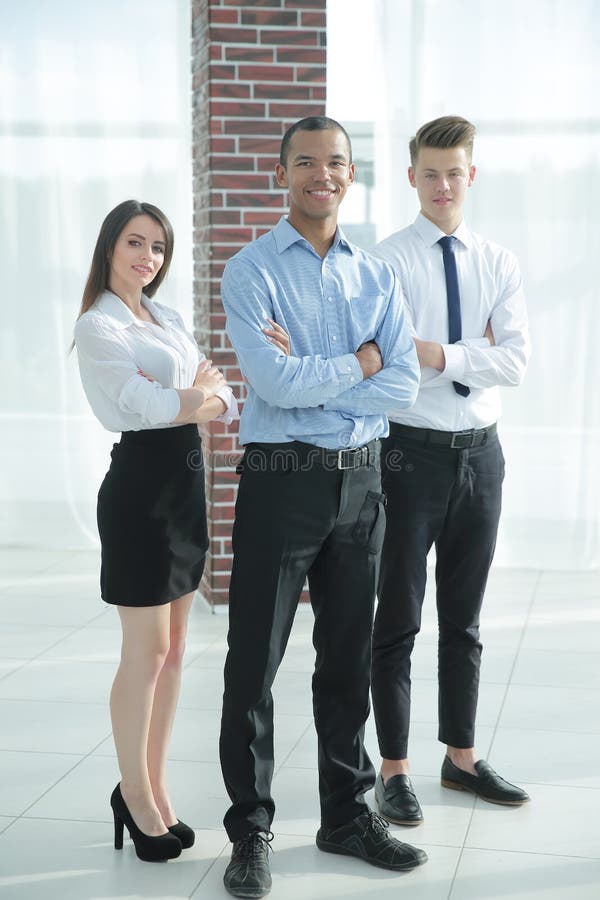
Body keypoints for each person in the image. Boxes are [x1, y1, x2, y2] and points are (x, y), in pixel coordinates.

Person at [217, 116, 426, 900]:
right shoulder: (251, 271)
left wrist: (321, 374)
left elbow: (402, 384)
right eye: (306, 162)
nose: (322, 174)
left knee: (346, 660)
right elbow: (273, 386)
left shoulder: (376, 275)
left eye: (335, 162)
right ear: (282, 173)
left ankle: (345, 814)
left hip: (365, 483)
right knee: (254, 664)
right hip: (282, 480)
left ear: (350, 173)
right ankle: (251, 831)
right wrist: (361, 361)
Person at [371, 116, 531, 827]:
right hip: (410, 456)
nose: (442, 185)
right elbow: (391, 369)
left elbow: (516, 362)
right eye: (430, 172)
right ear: (412, 178)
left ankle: (460, 758)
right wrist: (467, 351)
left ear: (472, 176)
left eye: (455, 172)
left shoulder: (499, 262)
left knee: (463, 621)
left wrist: (438, 353)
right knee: (399, 618)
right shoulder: (387, 262)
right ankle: (395, 769)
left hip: (483, 458)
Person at [73, 199, 238, 862]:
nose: (148, 258)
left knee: (172, 654)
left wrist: (196, 397)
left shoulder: (165, 317)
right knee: (143, 654)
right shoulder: (97, 326)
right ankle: (133, 794)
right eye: (136, 243)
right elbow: (147, 407)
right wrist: (194, 397)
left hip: (185, 488)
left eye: (159, 248)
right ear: (110, 246)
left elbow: (222, 394)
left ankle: (157, 786)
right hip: (140, 493)